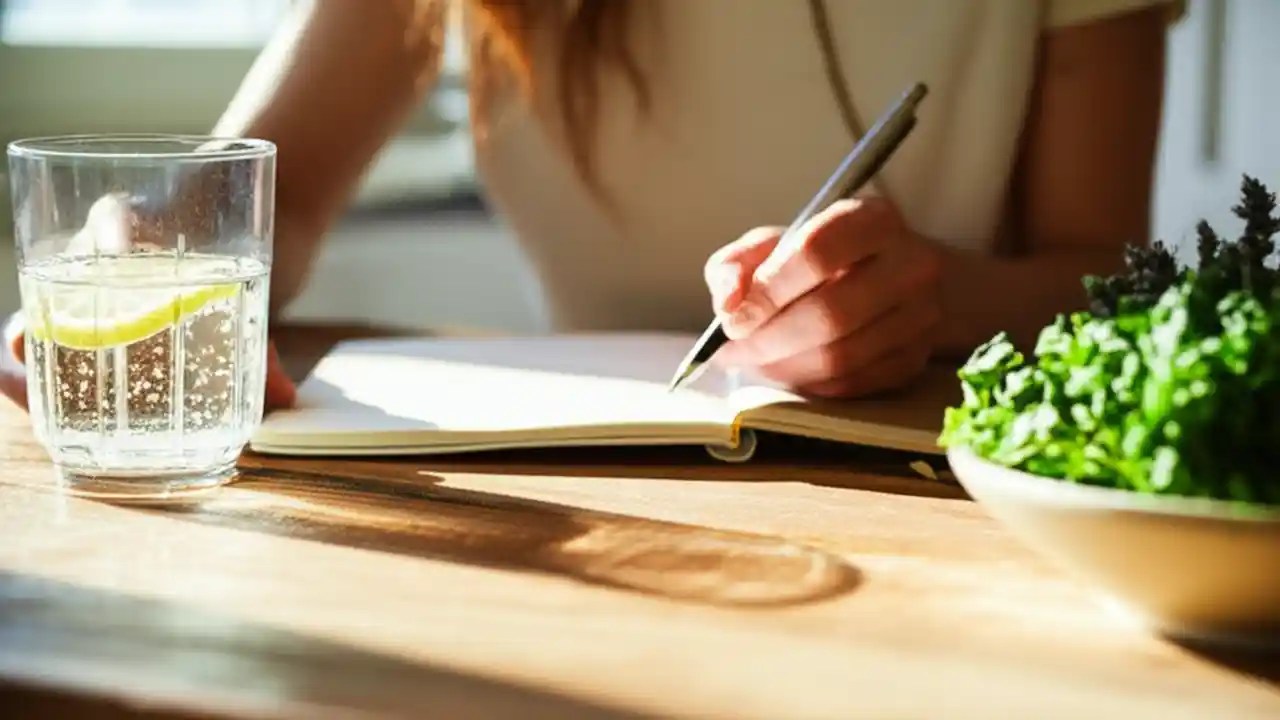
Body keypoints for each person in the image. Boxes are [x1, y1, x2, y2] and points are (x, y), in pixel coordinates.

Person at [1, 0, 1181, 409]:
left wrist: (934, 301)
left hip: (939, 478)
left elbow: (1106, 279)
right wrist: (144, 245)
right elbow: (267, 194)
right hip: (588, 476)